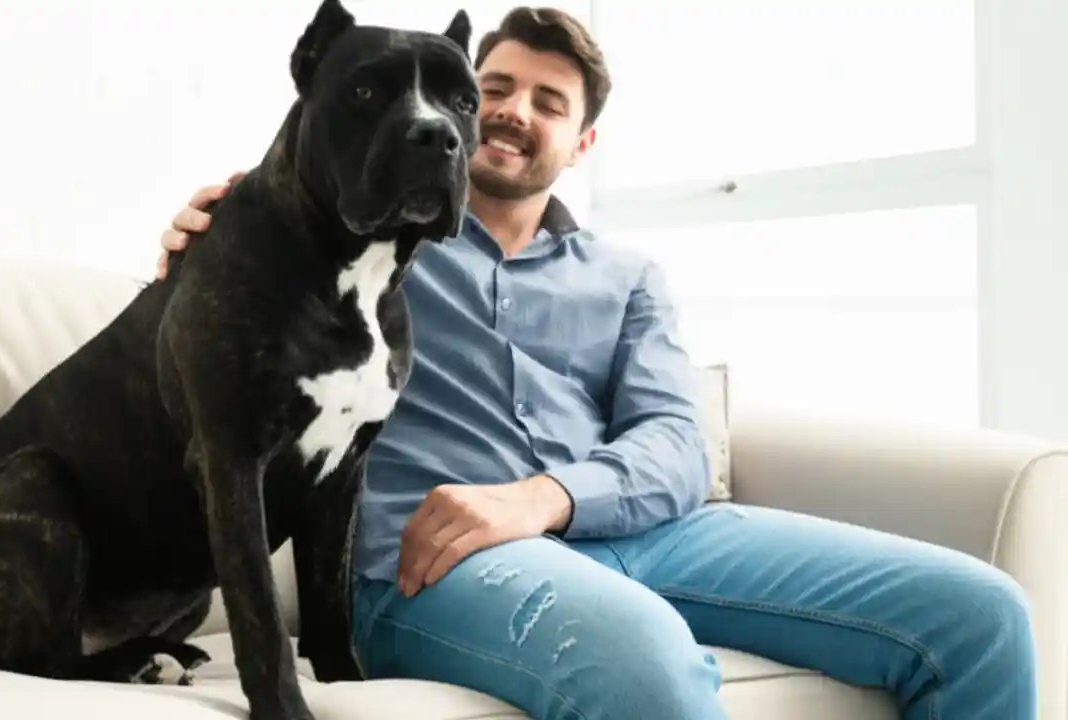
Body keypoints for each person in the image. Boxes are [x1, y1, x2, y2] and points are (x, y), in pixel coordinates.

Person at [156, 8, 1036, 719]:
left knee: (982, 615)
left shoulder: (627, 277)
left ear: (580, 144)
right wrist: (203, 236)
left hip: (644, 534)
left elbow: (676, 443)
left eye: (550, 101)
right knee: (643, 667)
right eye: (494, 86)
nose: (512, 110)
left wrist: (550, 497)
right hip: (443, 558)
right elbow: (220, 336)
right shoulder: (351, 243)